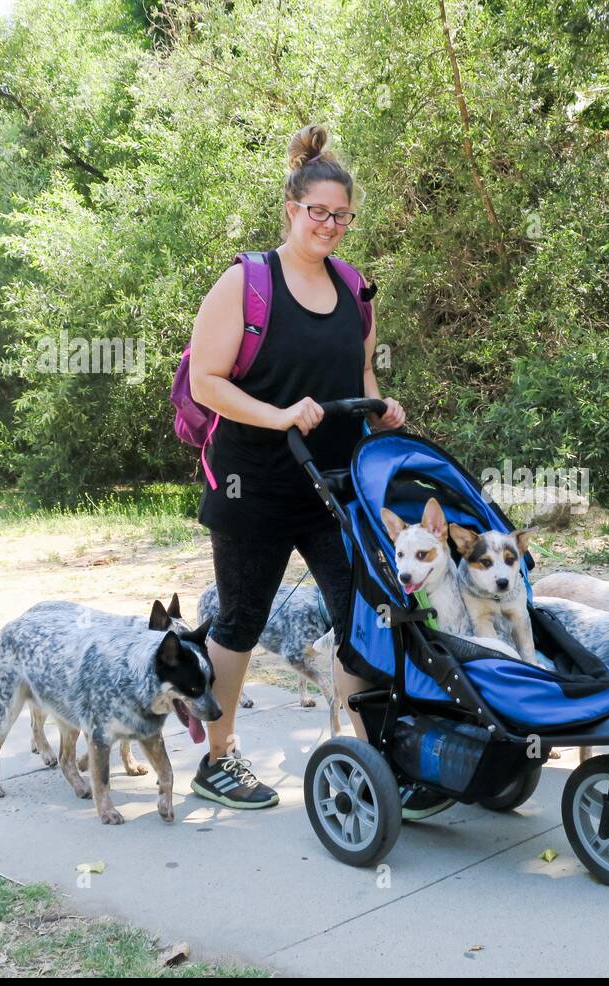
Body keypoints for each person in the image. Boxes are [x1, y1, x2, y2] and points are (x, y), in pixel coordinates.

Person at [186, 123, 404, 809]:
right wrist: (279, 415)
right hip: (256, 482)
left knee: (366, 615)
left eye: (342, 216)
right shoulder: (245, 283)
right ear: (291, 209)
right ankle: (217, 760)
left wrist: (381, 410)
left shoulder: (355, 288)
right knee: (242, 619)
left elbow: (360, 368)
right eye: (319, 212)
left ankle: (378, 757)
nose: (331, 225)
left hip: (336, 486)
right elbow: (206, 383)